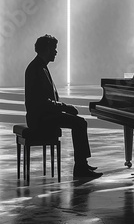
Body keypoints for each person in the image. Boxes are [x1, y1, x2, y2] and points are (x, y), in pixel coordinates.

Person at [24, 34, 101, 179]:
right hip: (40, 118)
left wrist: (63, 107)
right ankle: (80, 167)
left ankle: (82, 164)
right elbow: (41, 102)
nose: (55, 52)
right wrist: (65, 107)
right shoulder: (37, 69)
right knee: (79, 123)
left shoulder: (40, 67)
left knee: (79, 122)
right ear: (46, 49)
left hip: (43, 115)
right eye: (53, 48)